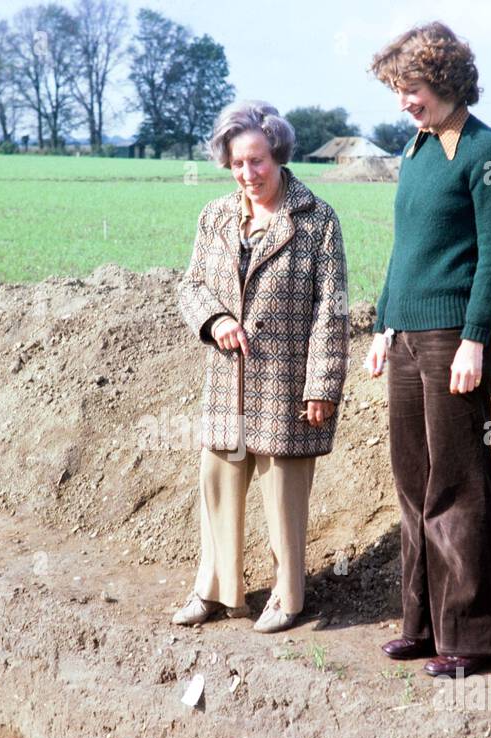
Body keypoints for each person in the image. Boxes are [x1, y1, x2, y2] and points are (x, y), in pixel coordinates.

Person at [364, 22, 491, 677]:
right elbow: (405, 249)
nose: (404, 101)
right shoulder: (417, 147)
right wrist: (382, 324)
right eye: (398, 89)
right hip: (404, 334)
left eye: (414, 88)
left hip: (455, 336)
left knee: (459, 483)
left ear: (449, 81)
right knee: (412, 481)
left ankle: (475, 638)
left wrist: (475, 340)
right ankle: (422, 625)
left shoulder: (484, 151)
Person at [173, 100, 350, 633]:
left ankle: (287, 597)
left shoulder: (318, 221)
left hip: (288, 384)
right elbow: (192, 286)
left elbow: (332, 308)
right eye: (236, 164)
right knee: (218, 485)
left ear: (278, 155)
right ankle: (216, 591)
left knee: (284, 499)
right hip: (228, 381)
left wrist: (322, 384)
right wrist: (216, 320)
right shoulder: (215, 215)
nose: (247, 175)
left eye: (257, 162)